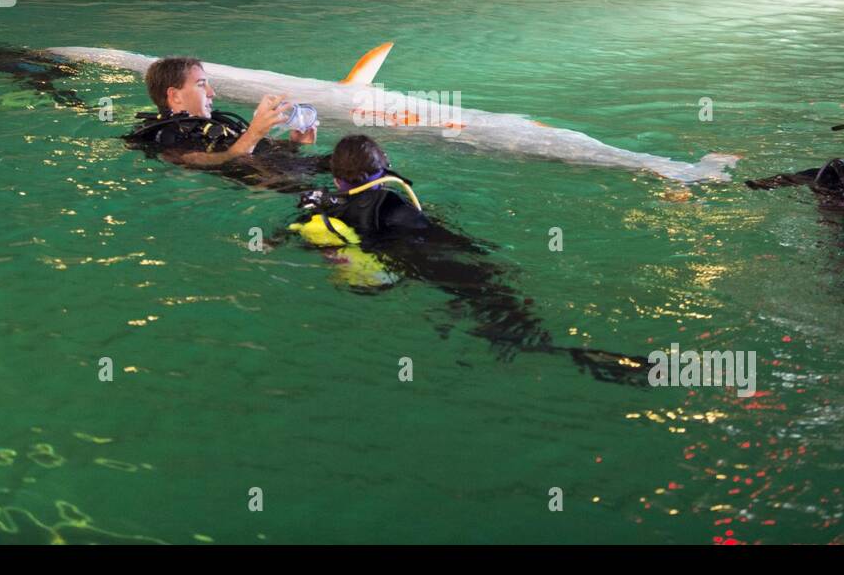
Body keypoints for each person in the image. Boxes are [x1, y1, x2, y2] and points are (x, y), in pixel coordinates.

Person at [290, 134, 649, 383]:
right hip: (448, 253)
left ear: (337, 179)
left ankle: (575, 355)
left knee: (487, 307)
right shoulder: (396, 200)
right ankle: (583, 356)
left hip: (416, 263)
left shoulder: (335, 211)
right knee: (496, 302)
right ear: (384, 170)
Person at [124, 56, 329, 187]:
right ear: (175, 96)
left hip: (289, 171)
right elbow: (190, 161)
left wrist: (297, 143)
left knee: (353, 158)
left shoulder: (216, 124)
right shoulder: (166, 134)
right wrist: (253, 134)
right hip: (274, 183)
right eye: (202, 85)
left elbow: (258, 150)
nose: (212, 93)